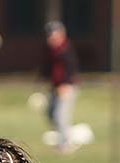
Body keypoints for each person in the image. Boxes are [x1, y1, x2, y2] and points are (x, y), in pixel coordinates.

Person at [42, 21, 79, 154]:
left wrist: (66, 84)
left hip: (66, 87)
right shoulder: (50, 50)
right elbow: (47, 68)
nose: (51, 38)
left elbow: (71, 69)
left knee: (61, 115)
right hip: (55, 86)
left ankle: (66, 145)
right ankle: (65, 139)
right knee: (51, 114)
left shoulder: (66, 49)